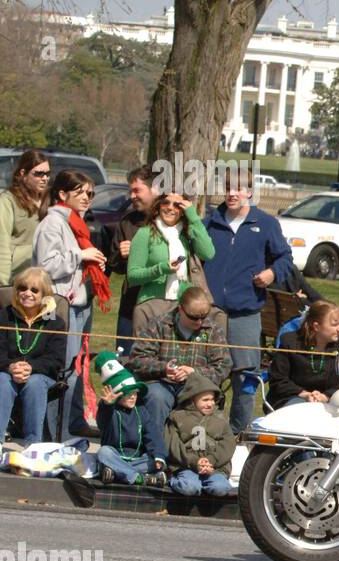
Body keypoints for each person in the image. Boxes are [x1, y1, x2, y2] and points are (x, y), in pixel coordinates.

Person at [202, 168, 293, 433]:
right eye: (228, 187)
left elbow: (285, 258)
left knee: (245, 378)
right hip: (211, 313)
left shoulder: (265, 223)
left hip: (245, 314)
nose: (232, 193)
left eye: (238, 188)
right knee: (208, 375)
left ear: (250, 193)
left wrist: (271, 273)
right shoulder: (210, 223)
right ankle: (207, 430)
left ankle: (238, 433)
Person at [33, 169, 111, 438]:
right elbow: (45, 266)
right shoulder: (52, 224)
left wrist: (93, 262)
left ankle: (72, 421)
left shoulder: (77, 223)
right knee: (61, 369)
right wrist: (81, 255)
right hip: (58, 304)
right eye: (80, 192)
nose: (87, 198)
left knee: (76, 368)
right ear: (62, 194)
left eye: (90, 193)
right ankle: (56, 432)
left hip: (80, 303)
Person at [126, 286, 233, 443]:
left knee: (202, 401)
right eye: (194, 317)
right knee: (157, 397)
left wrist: (194, 373)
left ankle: (192, 454)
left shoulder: (212, 330)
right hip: (161, 383)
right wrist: (164, 368)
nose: (200, 321)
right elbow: (137, 358)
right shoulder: (159, 325)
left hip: (197, 387)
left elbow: (224, 366)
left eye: (204, 316)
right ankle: (155, 449)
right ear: (181, 310)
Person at [0, 267, 64, 446]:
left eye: (34, 290)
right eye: (22, 288)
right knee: (3, 381)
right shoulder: (4, 316)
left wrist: (30, 367)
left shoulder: (55, 322)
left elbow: (56, 359)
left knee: (34, 383)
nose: (27, 293)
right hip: (6, 372)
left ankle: (32, 444)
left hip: (41, 375)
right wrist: (11, 367)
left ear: (44, 294)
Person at [91, 352, 168, 487]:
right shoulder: (110, 411)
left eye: (135, 393)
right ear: (117, 395)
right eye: (128, 394)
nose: (133, 397)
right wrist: (107, 405)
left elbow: (153, 434)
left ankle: (117, 473)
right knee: (104, 453)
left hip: (137, 459)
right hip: (115, 456)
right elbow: (102, 420)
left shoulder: (141, 411)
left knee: (153, 461)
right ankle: (139, 477)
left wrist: (159, 455)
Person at [108, 166, 163, 353]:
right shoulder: (128, 221)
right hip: (130, 305)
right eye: (130, 191)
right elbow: (114, 263)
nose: (132, 196)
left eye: (137, 190)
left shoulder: (171, 221)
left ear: (154, 189)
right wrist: (122, 256)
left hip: (163, 306)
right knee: (125, 360)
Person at [127, 192, 215, 307]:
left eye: (177, 205)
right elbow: (132, 277)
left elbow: (208, 254)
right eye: (166, 203)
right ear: (158, 207)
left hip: (184, 307)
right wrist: (161, 269)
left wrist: (194, 218)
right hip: (152, 306)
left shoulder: (187, 235)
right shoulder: (145, 234)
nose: (170, 207)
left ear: (183, 211)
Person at [165, 372, 236, 497]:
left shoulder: (220, 419)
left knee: (221, 488)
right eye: (205, 400)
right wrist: (195, 462)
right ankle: (171, 480)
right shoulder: (177, 417)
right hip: (186, 466)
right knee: (189, 488)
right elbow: (173, 445)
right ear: (192, 399)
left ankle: (206, 484)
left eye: (213, 400)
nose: (210, 404)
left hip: (214, 468)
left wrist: (211, 461)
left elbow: (228, 444)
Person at [268, 299, 339, 407]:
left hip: (330, 399)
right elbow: (278, 380)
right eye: (334, 324)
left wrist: (325, 396)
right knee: (303, 410)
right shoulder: (290, 342)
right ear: (316, 326)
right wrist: (305, 394)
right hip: (292, 397)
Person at [0, 149, 50, 286]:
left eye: (47, 173)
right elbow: (2, 243)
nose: (44, 178)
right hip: (17, 277)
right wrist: (3, 283)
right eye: (39, 174)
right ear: (23, 173)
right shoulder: (8, 200)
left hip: (46, 276)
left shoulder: (52, 200)